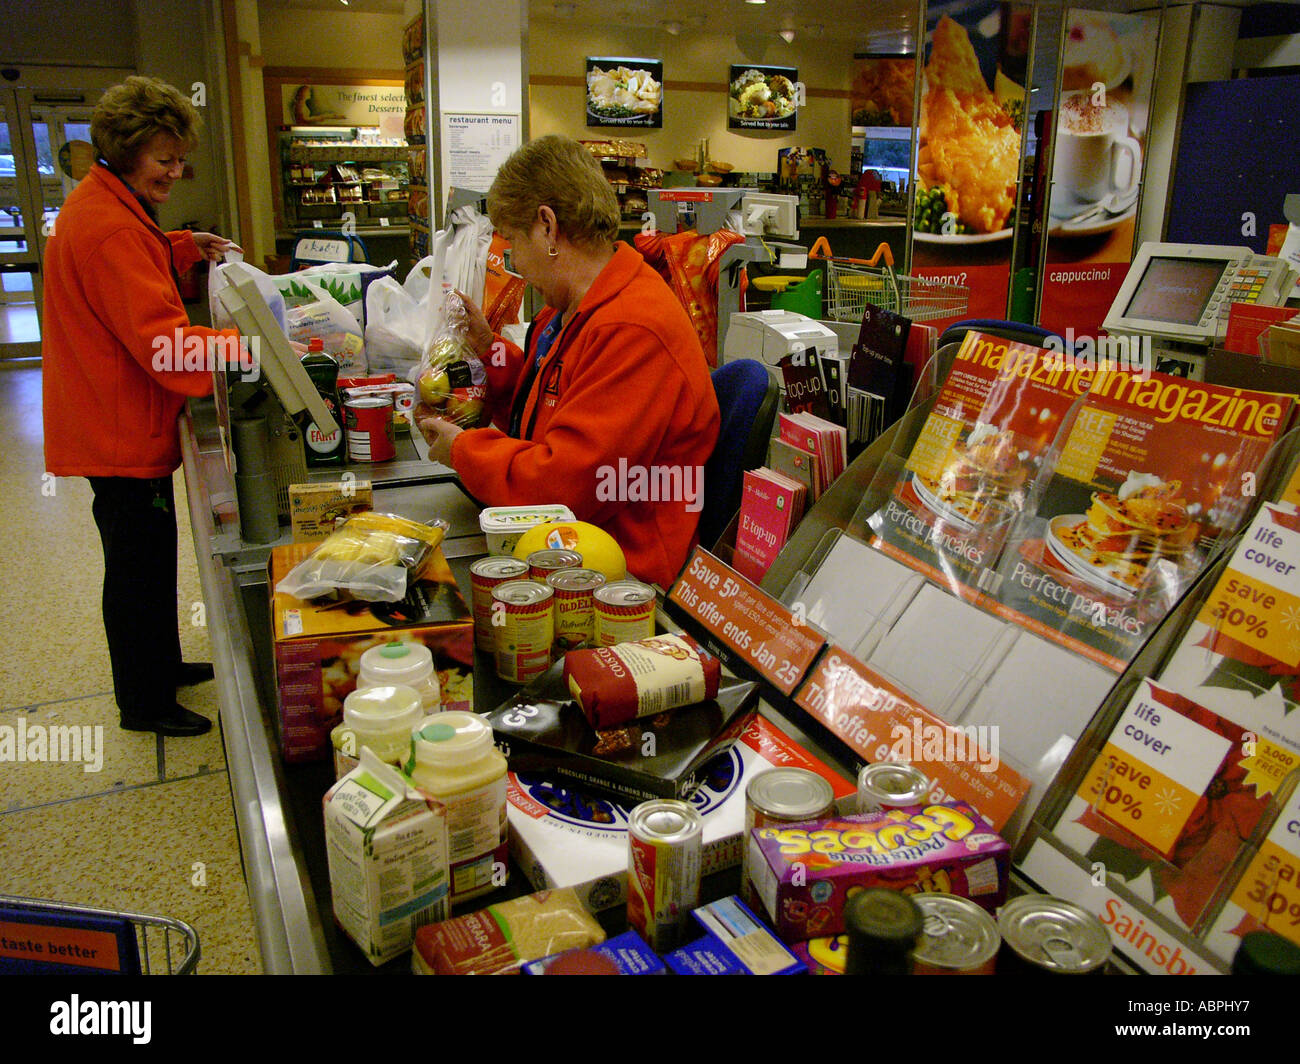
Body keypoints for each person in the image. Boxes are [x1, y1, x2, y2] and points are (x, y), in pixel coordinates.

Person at [415, 135, 720, 588]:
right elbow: (553, 402)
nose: (514, 260)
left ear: (547, 227)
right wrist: (487, 349)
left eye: (514, 241)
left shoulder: (633, 328)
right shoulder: (574, 308)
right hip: (570, 546)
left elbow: (563, 484)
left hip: (620, 577)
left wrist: (463, 451)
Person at [42, 76, 241, 737]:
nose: (176, 172)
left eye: (180, 158)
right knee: (135, 569)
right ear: (127, 151)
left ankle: (159, 664)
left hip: (110, 418)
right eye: (164, 159)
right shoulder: (108, 226)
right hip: (119, 431)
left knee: (149, 560)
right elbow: (164, 348)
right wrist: (247, 349)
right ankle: (144, 702)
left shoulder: (105, 201)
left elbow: (139, 258)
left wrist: (186, 245)